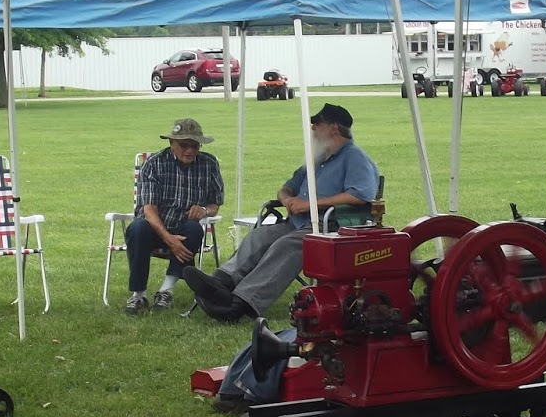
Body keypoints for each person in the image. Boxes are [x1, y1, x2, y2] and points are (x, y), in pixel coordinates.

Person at [183, 102, 378, 323]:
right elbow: (287, 188)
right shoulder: (318, 158)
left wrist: (312, 204)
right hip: (298, 222)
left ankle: (240, 303)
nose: (312, 128)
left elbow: (361, 195)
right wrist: (288, 200)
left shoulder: (354, 157)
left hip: (329, 227)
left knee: (285, 247)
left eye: (317, 124)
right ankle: (220, 282)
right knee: (259, 237)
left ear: (334, 128)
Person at [122, 117, 225, 314]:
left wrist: (204, 210)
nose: (190, 150)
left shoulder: (209, 164)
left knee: (194, 229)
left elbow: (215, 204)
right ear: (171, 143)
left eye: (195, 145)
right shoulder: (154, 164)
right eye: (184, 145)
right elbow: (148, 210)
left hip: (184, 227)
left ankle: (166, 291)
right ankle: (139, 295)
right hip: (153, 227)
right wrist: (169, 239)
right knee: (137, 228)